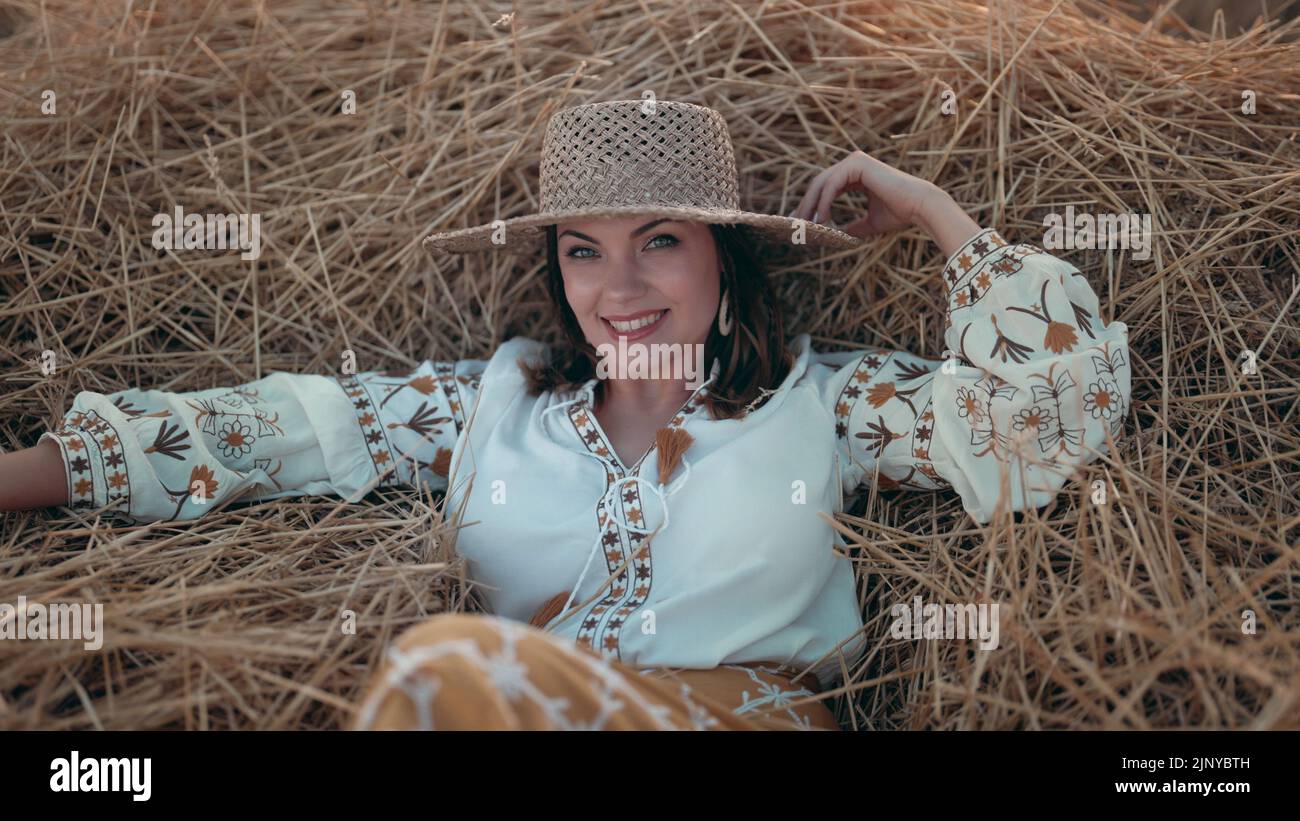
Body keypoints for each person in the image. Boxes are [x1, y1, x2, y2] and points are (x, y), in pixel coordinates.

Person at [0, 99, 1131, 730]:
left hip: (745, 721)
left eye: (660, 241)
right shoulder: (496, 404)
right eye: (583, 250)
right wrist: (29, 476)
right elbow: (280, 427)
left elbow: (1042, 428)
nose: (619, 286)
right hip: (535, 716)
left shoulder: (826, 404)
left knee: (438, 669)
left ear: (725, 261)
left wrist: (943, 221)